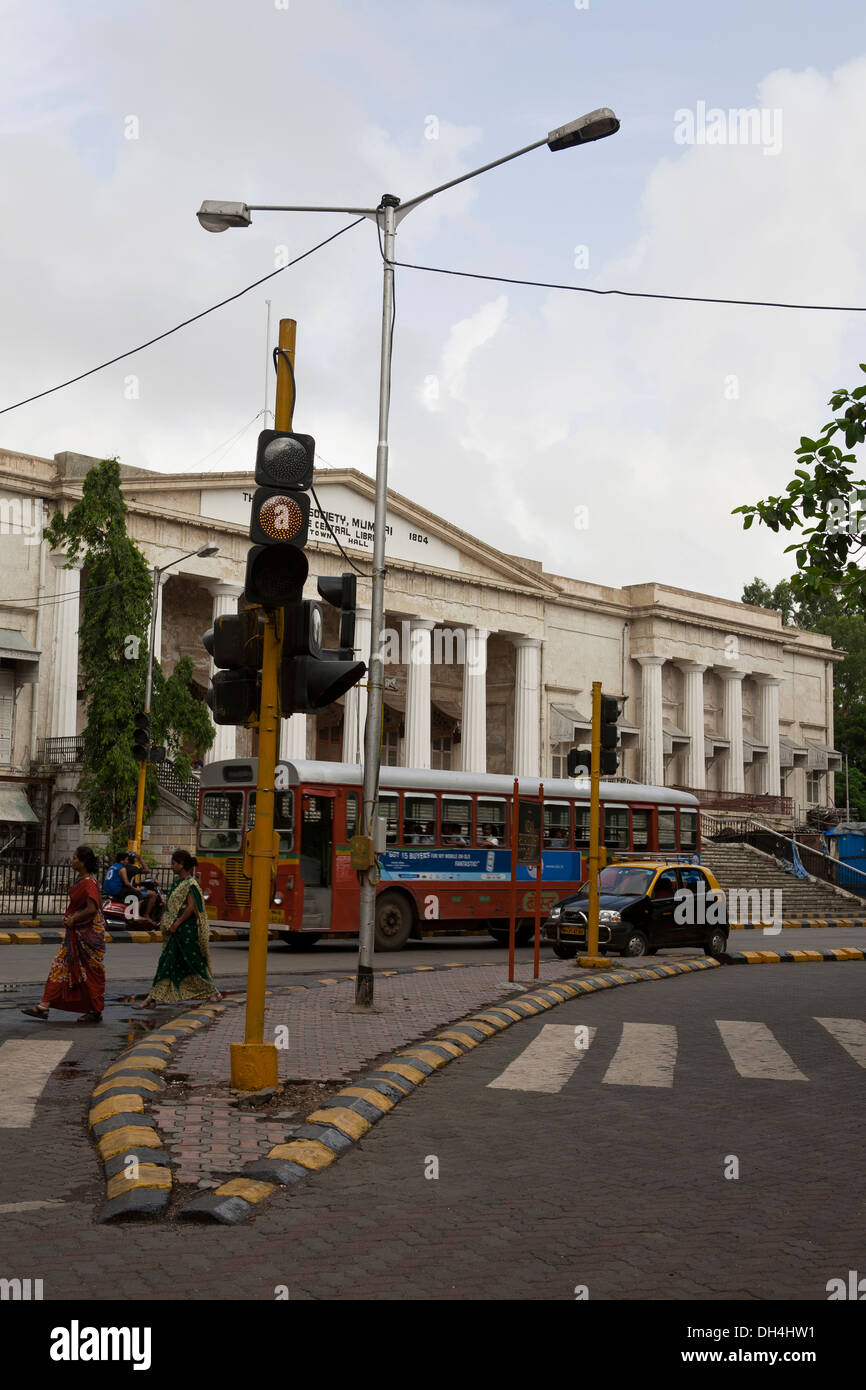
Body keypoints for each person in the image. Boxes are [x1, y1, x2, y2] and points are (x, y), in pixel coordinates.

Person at [21, 845, 105, 1024]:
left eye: (75, 858)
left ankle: (94, 1009)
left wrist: (74, 919)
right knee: (61, 967)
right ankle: (44, 1006)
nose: (72, 861)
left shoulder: (89, 882)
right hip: (75, 935)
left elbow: (92, 909)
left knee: (88, 972)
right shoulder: (80, 879)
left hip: (87, 936)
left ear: (82, 862)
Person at [135, 850, 221, 1007]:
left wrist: (176, 923)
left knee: (193, 961)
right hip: (174, 932)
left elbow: (191, 907)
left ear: (182, 865)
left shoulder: (191, 884)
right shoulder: (177, 882)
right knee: (166, 962)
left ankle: (214, 992)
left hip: (185, 930)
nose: (171, 866)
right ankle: (152, 997)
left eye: (174, 863)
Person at [123, 851, 158, 924]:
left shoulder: (122, 867)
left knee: (142, 890)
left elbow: (129, 880)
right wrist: (140, 859)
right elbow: (147, 870)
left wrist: (138, 883)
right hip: (129, 891)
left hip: (124, 889)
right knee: (153, 894)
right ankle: (146, 915)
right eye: (135, 859)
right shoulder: (132, 867)